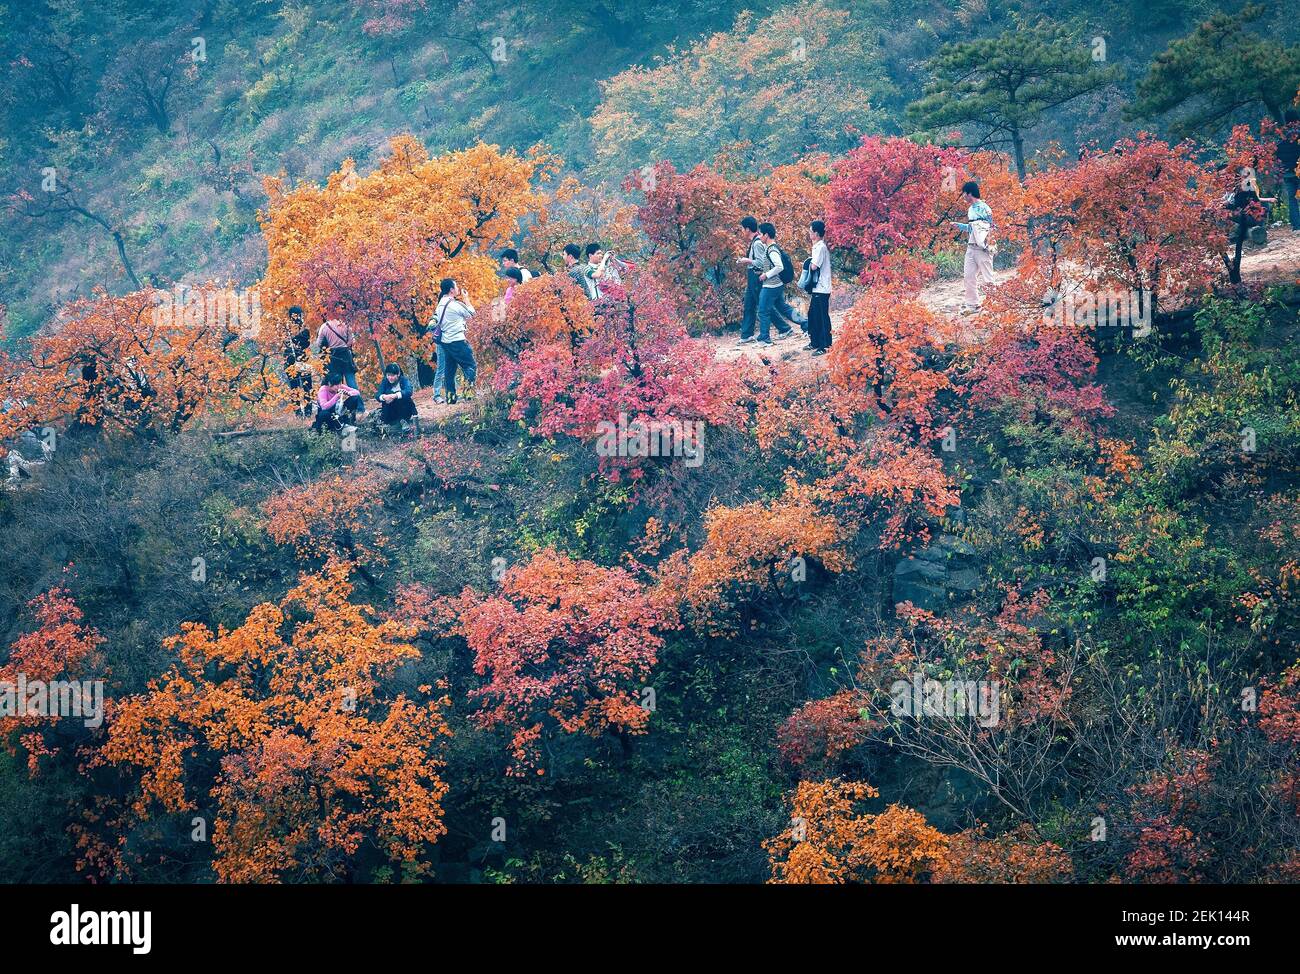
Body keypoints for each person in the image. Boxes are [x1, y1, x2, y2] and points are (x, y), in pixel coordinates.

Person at [752, 223, 806, 346]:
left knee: (763, 311)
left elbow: (779, 267)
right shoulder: (771, 248)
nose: (759, 236)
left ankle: (764, 338)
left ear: (766, 235)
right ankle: (805, 323)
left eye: (760, 234)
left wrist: (766, 275)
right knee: (784, 308)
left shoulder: (771, 249)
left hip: (771, 286)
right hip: (776, 285)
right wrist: (764, 271)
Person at [951, 181, 995, 314]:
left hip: (982, 248)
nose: (963, 196)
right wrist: (959, 225)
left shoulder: (985, 208)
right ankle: (973, 304)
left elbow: (992, 227)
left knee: (988, 277)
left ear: (970, 193)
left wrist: (989, 245)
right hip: (971, 247)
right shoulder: (970, 209)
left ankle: (994, 304)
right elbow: (972, 228)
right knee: (969, 276)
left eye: (964, 193)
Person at [434, 278, 478, 404]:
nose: (458, 289)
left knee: (450, 370)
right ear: (451, 290)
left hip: (446, 342)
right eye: (456, 286)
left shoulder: (440, 305)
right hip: (458, 340)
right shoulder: (454, 305)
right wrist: (466, 299)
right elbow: (471, 314)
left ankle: (451, 397)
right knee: (470, 366)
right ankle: (469, 394)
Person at [312, 312, 364, 415]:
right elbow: (351, 341)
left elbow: (318, 343)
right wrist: (343, 345)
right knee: (351, 382)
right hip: (345, 355)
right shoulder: (345, 324)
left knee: (336, 383)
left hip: (333, 356)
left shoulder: (324, 326)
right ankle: (360, 407)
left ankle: (334, 408)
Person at [735, 216, 765, 342]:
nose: (742, 231)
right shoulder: (754, 242)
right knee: (749, 305)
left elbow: (761, 263)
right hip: (752, 278)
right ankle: (746, 335)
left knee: (763, 305)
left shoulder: (757, 243)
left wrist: (747, 260)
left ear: (748, 229)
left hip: (756, 277)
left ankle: (784, 328)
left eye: (743, 228)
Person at [806, 220, 833, 355]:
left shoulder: (820, 247)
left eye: (810, 231)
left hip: (822, 288)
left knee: (822, 317)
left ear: (816, 233)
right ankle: (815, 341)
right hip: (818, 288)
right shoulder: (818, 247)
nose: (809, 234)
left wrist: (807, 263)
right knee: (813, 314)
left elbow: (814, 266)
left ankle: (825, 345)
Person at [283, 306, 314, 417]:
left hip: (290, 360)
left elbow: (285, 344)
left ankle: (298, 413)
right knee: (307, 386)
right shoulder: (304, 328)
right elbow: (306, 343)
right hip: (302, 359)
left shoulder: (285, 328)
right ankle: (307, 411)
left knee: (295, 386)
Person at [1276, 109, 1300, 231]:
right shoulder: (1298, 135)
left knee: (1292, 199)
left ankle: (1296, 226)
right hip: (1298, 170)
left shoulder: (1282, 137)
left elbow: (1277, 155)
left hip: (1287, 173)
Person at [375, 362, 417, 432]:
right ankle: (387, 423)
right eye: (388, 375)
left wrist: (395, 395)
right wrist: (384, 397)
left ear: (398, 374)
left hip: (403, 409)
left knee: (403, 397)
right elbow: (378, 394)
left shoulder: (403, 380)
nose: (390, 378)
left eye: (393, 375)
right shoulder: (385, 381)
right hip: (390, 409)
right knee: (388, 396)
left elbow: (409, 391)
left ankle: (403, 421)